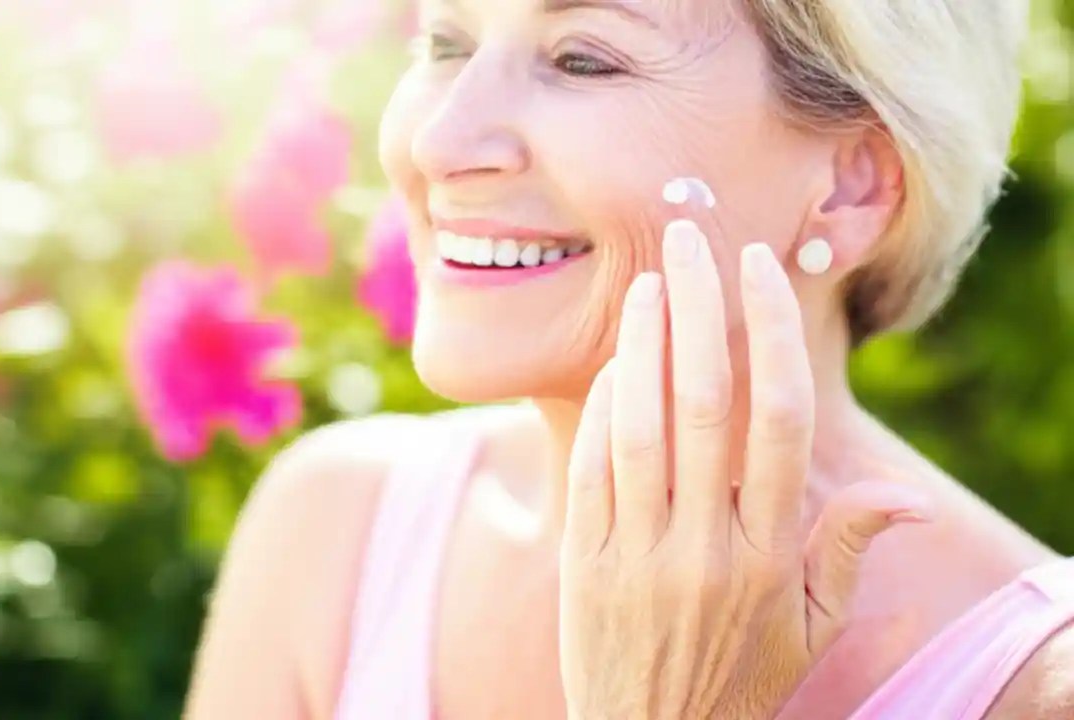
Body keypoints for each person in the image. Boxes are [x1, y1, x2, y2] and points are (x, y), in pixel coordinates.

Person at [185, 0, 1074, 717]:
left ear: (854, 181)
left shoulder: (1037, 685)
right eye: (447, 41)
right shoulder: (336, 531)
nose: (439, 144)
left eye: (582, 58)